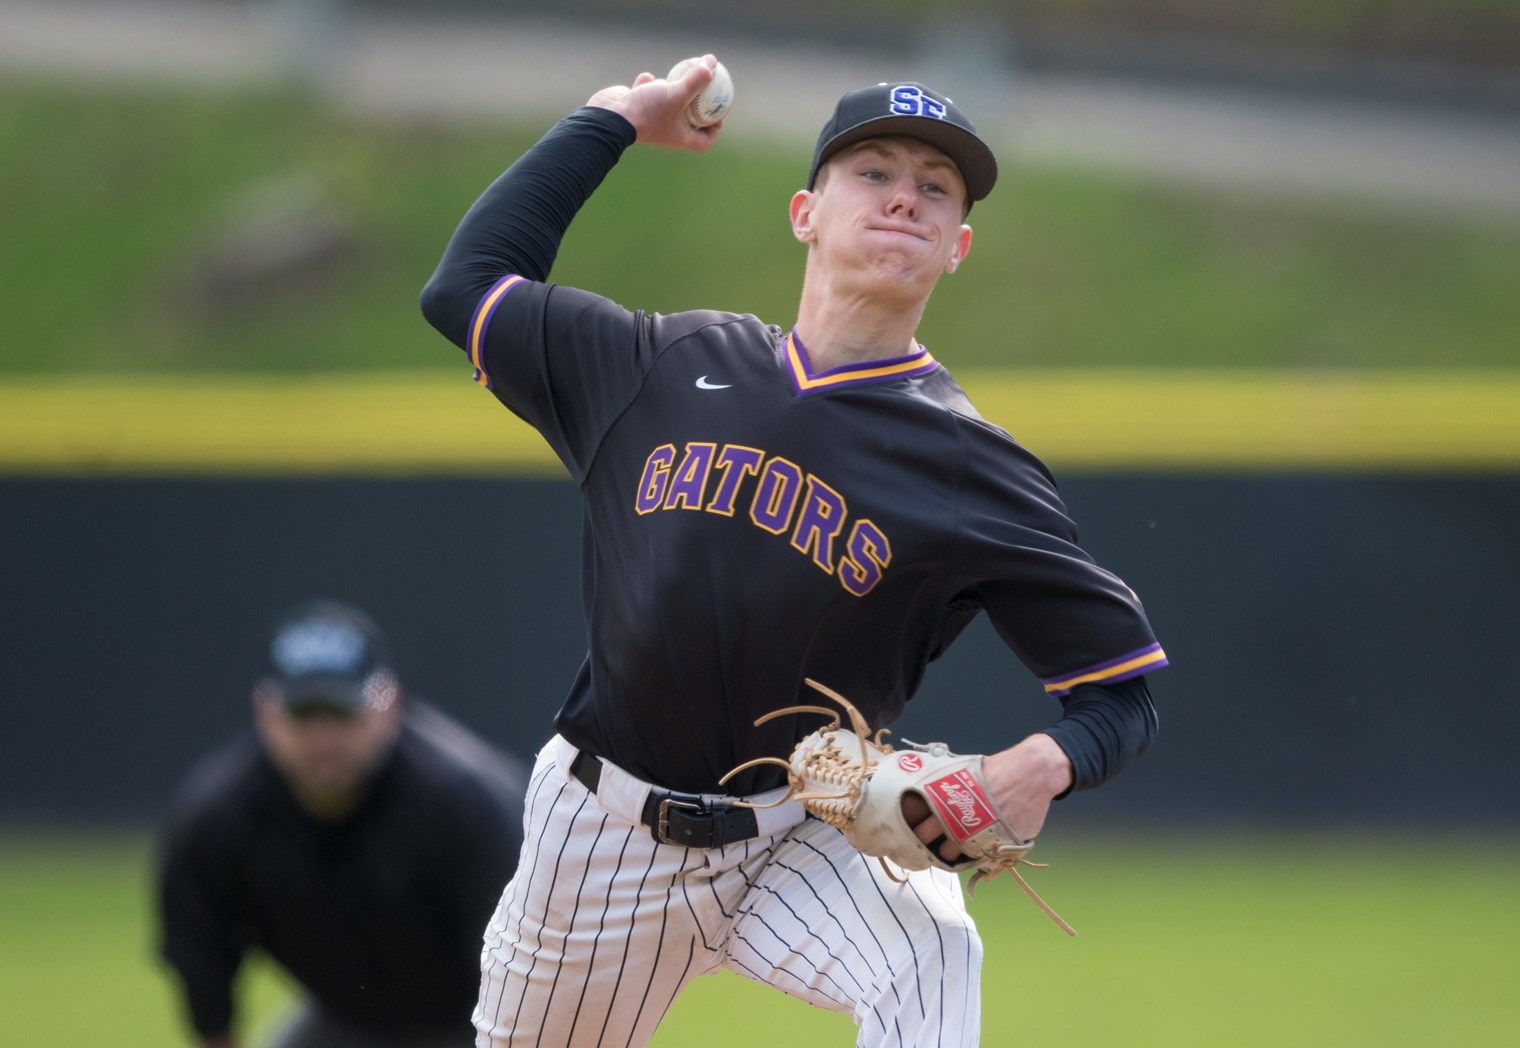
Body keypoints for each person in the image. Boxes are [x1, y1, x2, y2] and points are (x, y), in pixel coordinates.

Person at [420, 57, 1169, 1047]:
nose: (906, 195)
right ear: (803, 212)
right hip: (601, 838)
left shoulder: (970, 464)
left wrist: (1038, 766)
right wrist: (609, 120)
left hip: (811, 827)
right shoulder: (658, 366)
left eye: (935, 188)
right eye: (873, 172)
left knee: (933, 956)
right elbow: (466, 287)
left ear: (957, 246)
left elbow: (1119, 695)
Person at [156, 599, 529, 1048]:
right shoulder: (217, 822)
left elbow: (531, 974)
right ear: (265, 713)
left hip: (478, 1026)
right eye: (302, 713)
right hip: (346, 1022)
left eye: (341, 711)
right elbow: (204, 976)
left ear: (388, 707)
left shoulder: (466, 803)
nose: (324, 738)